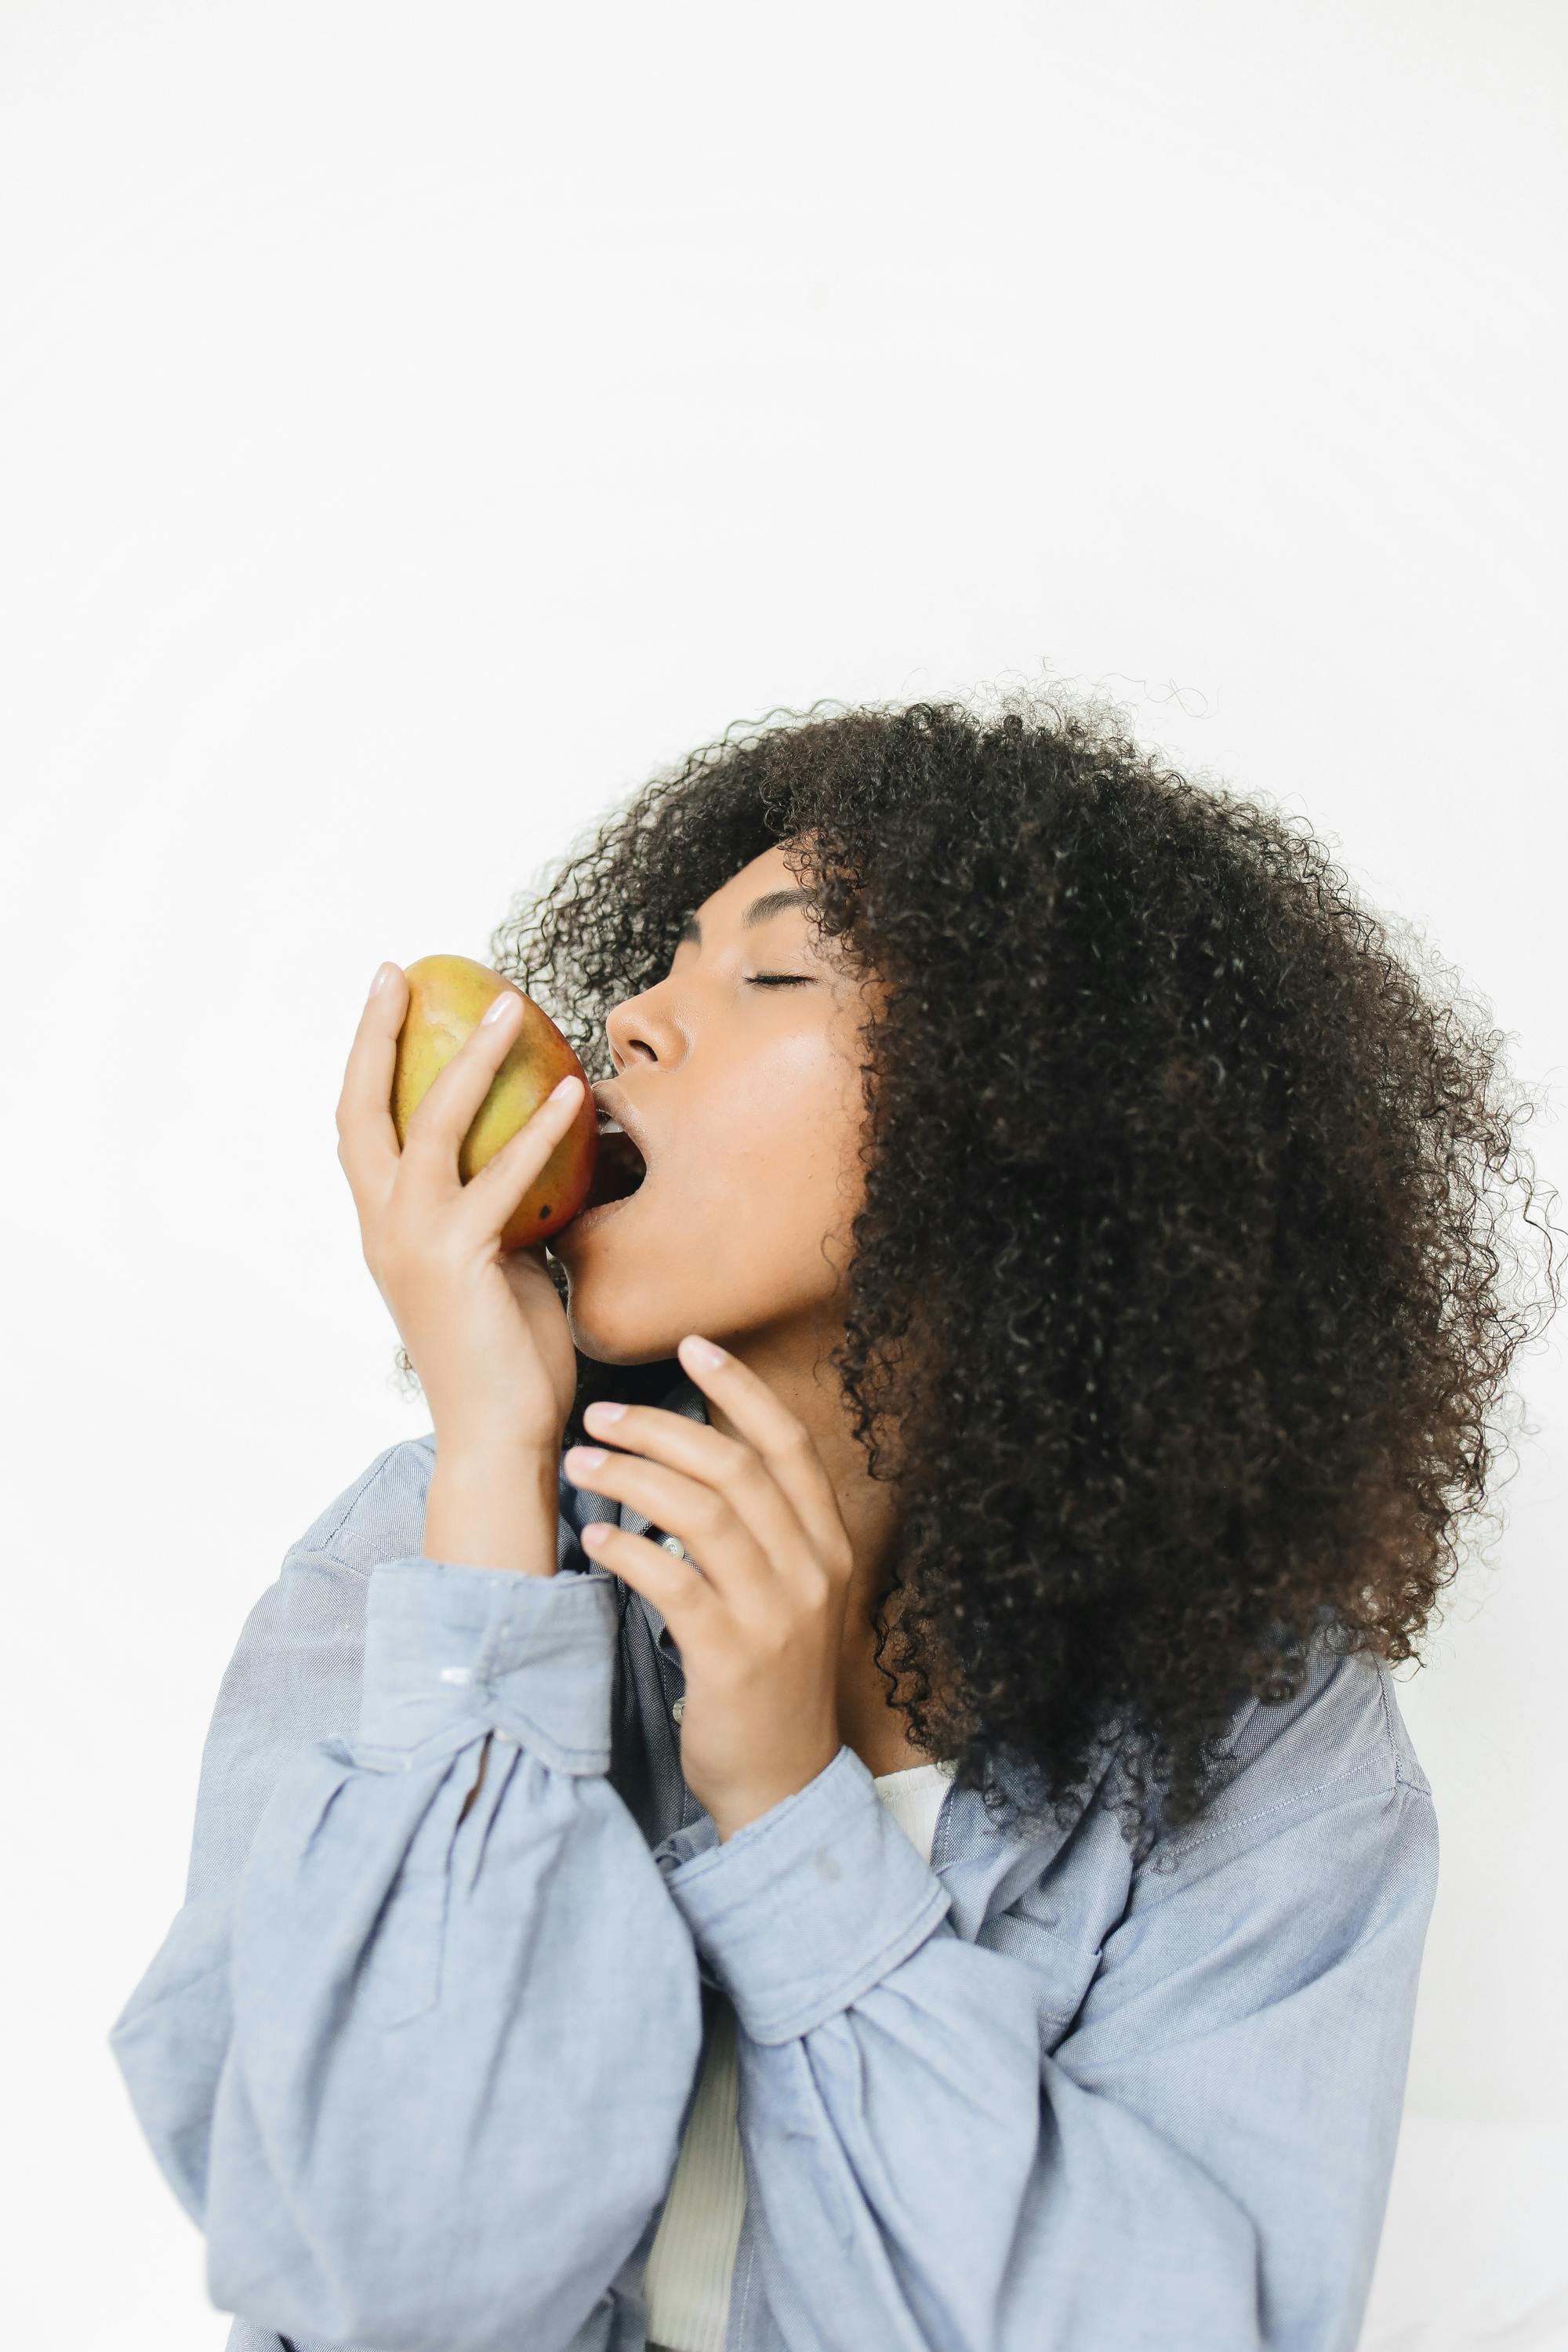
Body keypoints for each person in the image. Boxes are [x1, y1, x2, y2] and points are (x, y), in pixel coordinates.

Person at [111, 685, 1559, 2352]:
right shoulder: (418, 1558)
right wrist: (495, 1503)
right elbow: (392, 2284)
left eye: (772, 973)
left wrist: (795, 1821)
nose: (636, 1021)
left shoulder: (1267, 1743)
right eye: (662, 961)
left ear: (1023, 1128)